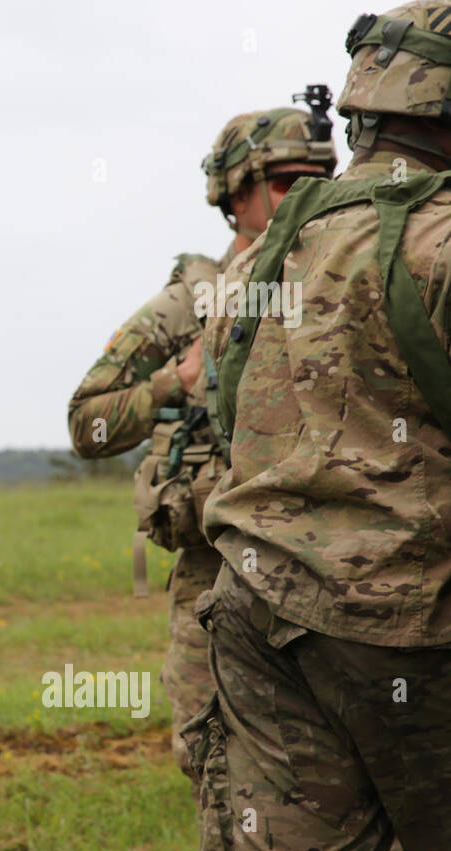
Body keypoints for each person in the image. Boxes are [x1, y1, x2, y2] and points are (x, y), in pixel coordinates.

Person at [195, 1, 451, 851]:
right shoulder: (438, 239)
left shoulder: (290, 239)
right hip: (403, 625)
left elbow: (230, 407)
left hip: (258, 603)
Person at [67, 102, 335, 797]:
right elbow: (87, 421)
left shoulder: (356, 282)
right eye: (286, 183)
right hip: (216, 581)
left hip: (340, 583)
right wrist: (174, 382)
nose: (304, 200)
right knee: (220, 770)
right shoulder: (194, 298)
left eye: (320, 181)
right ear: (236, 192)